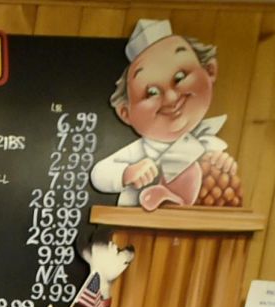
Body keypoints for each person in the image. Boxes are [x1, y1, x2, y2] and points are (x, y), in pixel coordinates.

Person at [90, 19, 231, 210]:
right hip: (134, 228)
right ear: (125, 113)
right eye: (152, 93)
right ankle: (163, 198)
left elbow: (220, 185)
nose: (171, 97)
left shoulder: (206, 143)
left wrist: (223, 165)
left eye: (179, 78)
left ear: (210, 70)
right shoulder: (141, 151)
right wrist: (127, 173)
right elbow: (99, 174)